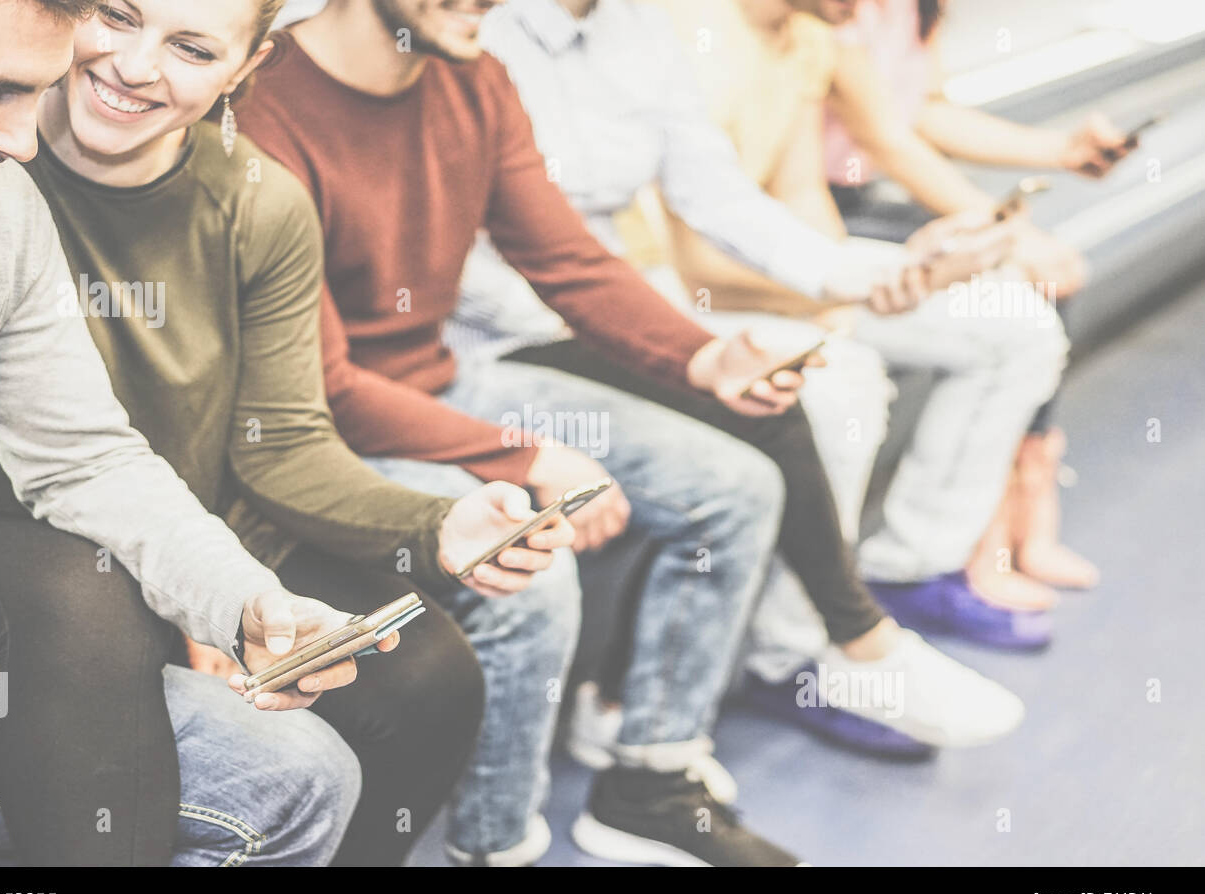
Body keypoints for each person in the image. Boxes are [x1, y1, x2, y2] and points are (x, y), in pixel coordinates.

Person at [239, 0, 1023, 865]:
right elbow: (322, 386)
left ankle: (648, 781)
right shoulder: (265, 102)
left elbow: (569, 262)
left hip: (447, 380)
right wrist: (528, 455)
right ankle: (495, 848)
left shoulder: (476, 77)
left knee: (736, 486)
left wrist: (704, 359)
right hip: (327, 427)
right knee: (529, 578)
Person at [0, 0, 585, 867]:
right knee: (86, 595)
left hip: (165, 510)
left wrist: (405, 536)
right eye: (117, 19)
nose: (135, 66)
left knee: (426, 677)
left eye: (193, 47)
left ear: (246, 67)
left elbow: (238, 446)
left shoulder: (247, 201)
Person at [441, 0, 1033, 761]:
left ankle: (803, 651)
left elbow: (715, 193)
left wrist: (875, 272)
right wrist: (649, 333)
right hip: (510, 331)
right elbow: (488, 260)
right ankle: (844, 641)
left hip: (619, 302)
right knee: (768, 416)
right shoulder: (467, 29)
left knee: (818, 372)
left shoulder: (634, 26)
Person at [0, 0, 371, 866]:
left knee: (299, 776)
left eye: (34, 93)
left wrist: (243, 599)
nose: (22, 142)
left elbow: (83, 458)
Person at [650, 0, 1070, 650]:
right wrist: (843, 293)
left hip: (780, 266)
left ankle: (911, 569)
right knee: (846, 383)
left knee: (1017, 326)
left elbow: (800, 197)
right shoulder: (686, 37)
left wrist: (853, 282)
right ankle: (792, 652)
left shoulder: (813, 36)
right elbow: (697, 270)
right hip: (675, 291)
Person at [821, 0, 1129, 593]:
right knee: (1020, 295)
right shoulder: (830, 12)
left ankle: (1018, 520)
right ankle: (977, 550)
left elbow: (924, 113)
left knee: (1040, 286)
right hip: (820, 211)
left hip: (858, 201)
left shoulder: (915, 9)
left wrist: (1061, 151)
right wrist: (1005, 232)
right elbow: (881, 135)